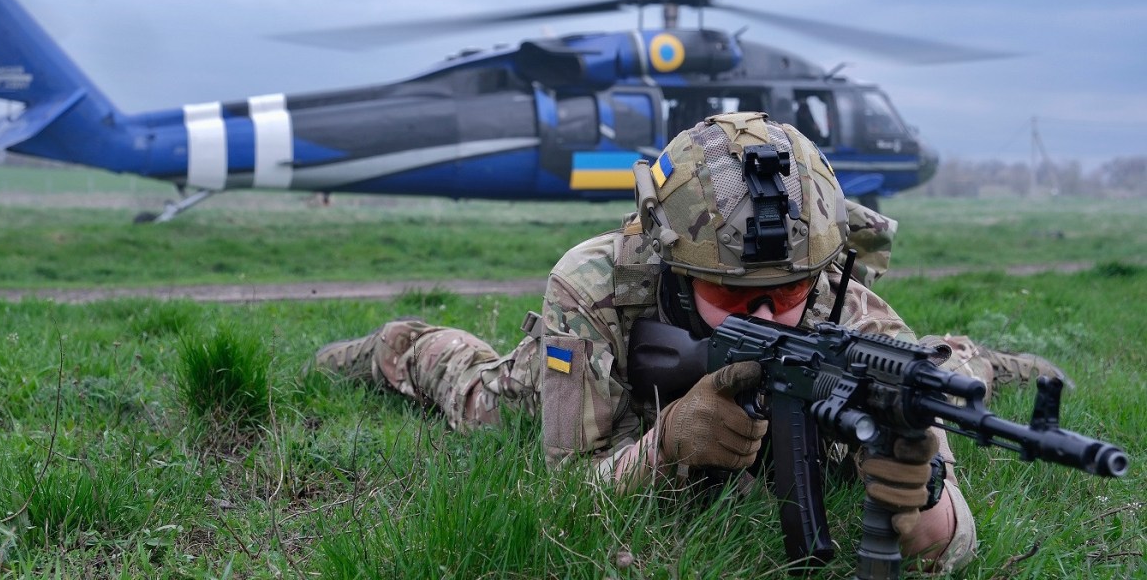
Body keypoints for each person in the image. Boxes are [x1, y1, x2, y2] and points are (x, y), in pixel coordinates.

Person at [315, 112, 1068, 572]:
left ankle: (990, 360)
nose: (772, 319)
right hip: (586, 387)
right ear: (674, 268)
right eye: (739, 297)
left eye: (789, 292)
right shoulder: (597, 287)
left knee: (939, 366)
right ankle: (392, 346)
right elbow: (560, 496)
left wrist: (923, 501)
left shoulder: (844, 311)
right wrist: (664, 445)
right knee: (472, 388)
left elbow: (950, 534)